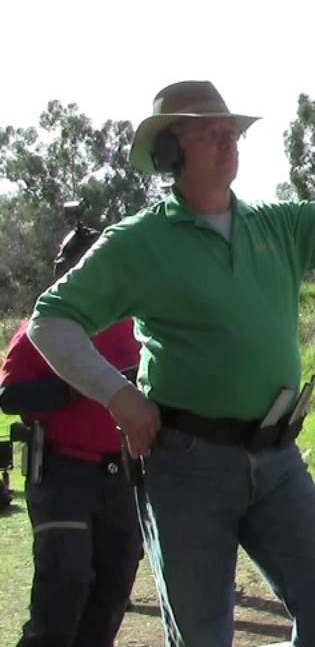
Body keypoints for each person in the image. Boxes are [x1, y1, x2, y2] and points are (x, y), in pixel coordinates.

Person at [25, 80, 315, 646]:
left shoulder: (279, 225)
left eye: (232, 132)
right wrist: (118, 396)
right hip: (186, 464)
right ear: (171, 153)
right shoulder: (137, 244)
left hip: (277, 461)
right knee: (202, 635)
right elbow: (51, 319)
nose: (229, 142)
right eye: (210, 134)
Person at [0, 221, 143, 647]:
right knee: (65, 584)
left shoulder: (133, 327)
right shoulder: (43, 327)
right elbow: (10, 396)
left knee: (112, 593)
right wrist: (85, 382)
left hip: (123, 476)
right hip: (64, 473)